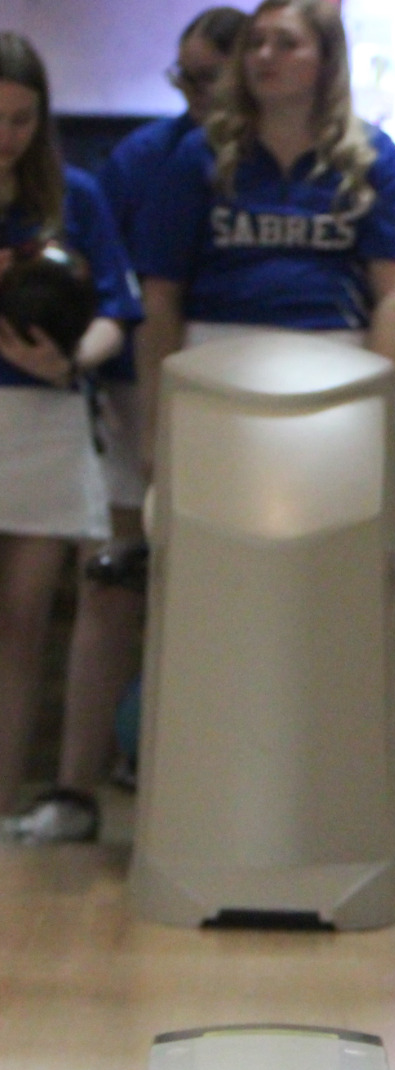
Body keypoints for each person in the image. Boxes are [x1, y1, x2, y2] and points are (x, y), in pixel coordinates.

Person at [13, 6, 250, 845]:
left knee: (223, 598)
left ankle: (209, 790)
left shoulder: (290, 161)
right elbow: (120, 301)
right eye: (181, 75)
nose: (190, 91)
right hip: (127, 400)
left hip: (235, 401)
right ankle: (75, 791)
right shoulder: (143, 159)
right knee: (111, 585)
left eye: (207, 76)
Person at [131, 0, 395, 428]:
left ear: (326, 61)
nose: (265, 56)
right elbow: (160, 293)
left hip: (336, 359)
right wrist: (154, 419)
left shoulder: (373, 159)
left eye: (287, 44)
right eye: (255, 43)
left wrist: (377, 406)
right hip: (213, 360)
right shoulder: (199, 155)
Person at [0, 32, 141, 838]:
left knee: (21, 623)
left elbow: (119, 311)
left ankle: (7, 806)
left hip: (46, 419)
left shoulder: (74, 197)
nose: (6, 136)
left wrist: (70, 360)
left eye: (21, 119)